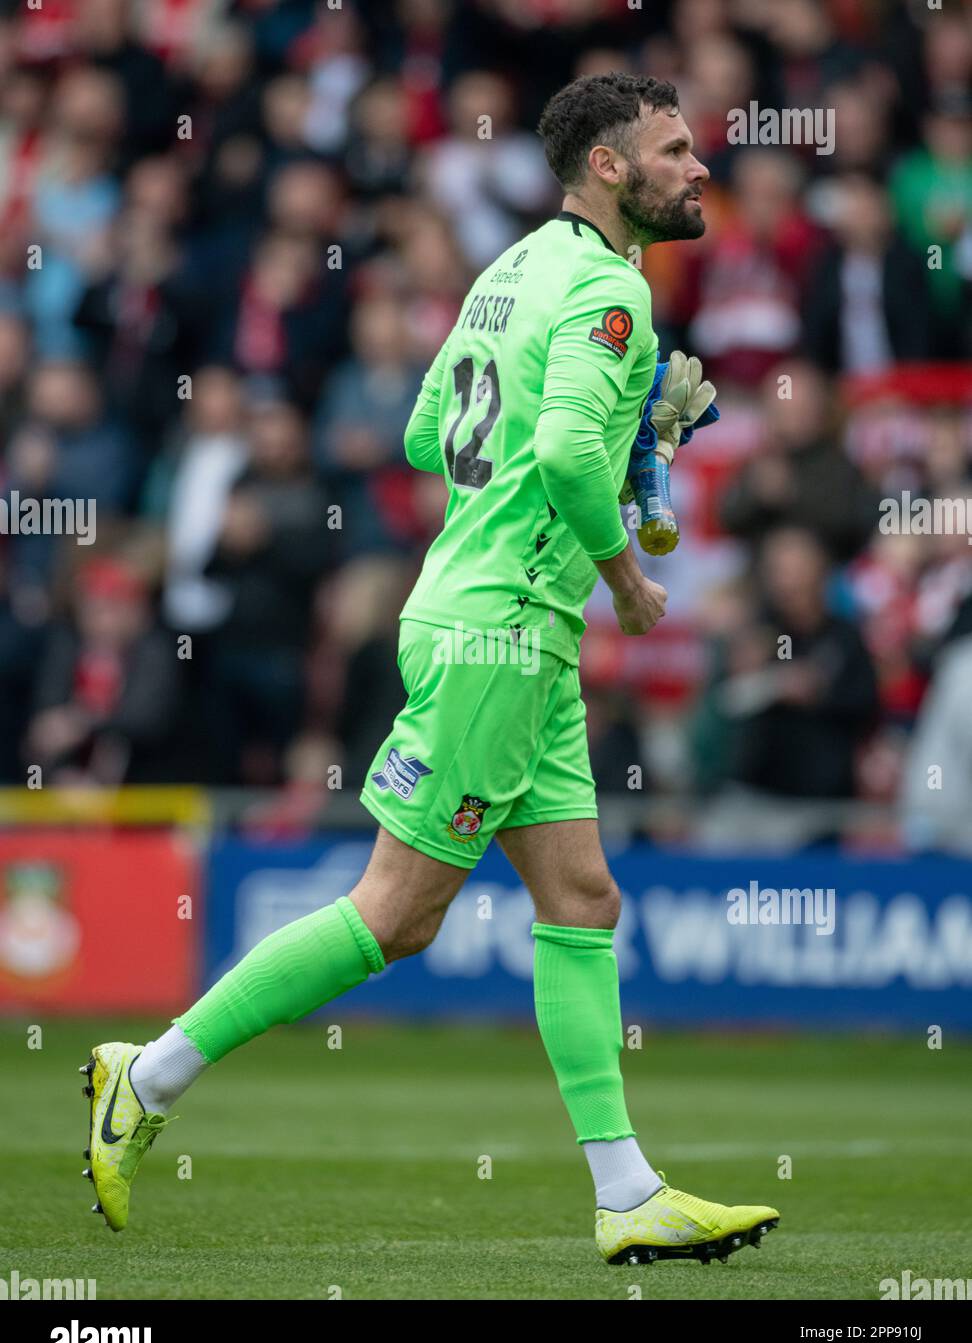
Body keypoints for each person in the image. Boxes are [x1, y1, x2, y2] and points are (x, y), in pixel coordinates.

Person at [81, 72, 778, 1268]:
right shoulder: (612, 288)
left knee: (582, 900)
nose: (698, 165)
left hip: (505, 622)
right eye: (672, 149)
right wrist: (624, 571)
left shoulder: (506, 272)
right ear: (609, 169)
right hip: (502, 627)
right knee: (394, 917)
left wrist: (627, 438)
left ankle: (627, 1194)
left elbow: (422, 436)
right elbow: (560, 449)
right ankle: (146, 1073)